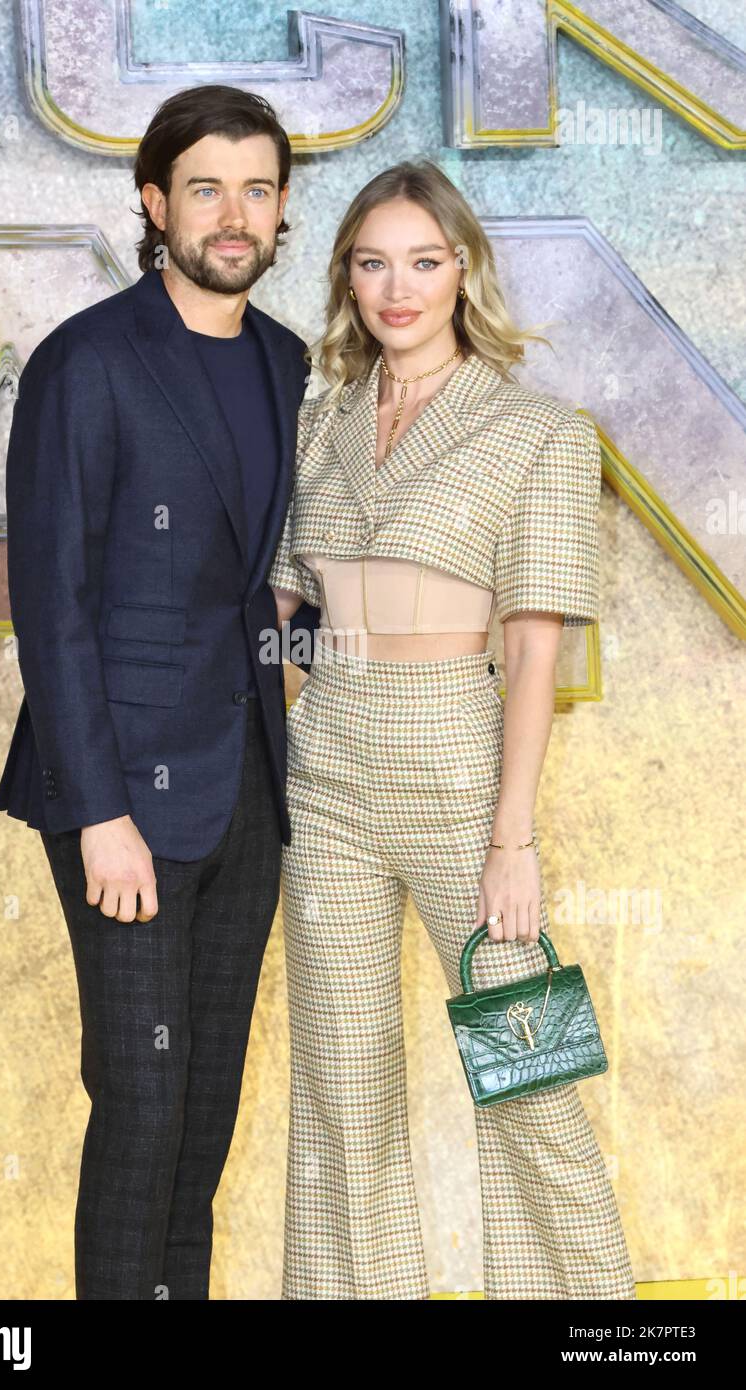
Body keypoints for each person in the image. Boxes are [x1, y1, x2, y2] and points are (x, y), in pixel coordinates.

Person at [268, 158, 637, 1301]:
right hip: (324, 764)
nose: (397, 287)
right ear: (346, 276)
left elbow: (531, 649)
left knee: (526, 1072)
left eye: (422, 262)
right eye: (372, 262)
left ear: (461, 270)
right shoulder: (316, 418)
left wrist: (509, 838)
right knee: (339, 1081)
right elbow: (282, 610)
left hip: (460, 768)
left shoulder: (537, 431)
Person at [0, 85, 320, 1300]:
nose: (231, 215)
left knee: (205, 1107)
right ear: (152, 203)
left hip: (247, 799)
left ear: (280, 210)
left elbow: (280, 577)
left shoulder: (291, 363)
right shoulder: (89, 360)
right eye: (204, 188)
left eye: (256, 188)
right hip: (125, 798)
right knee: (139, 1098)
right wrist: (99, 811)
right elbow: (54, 604)